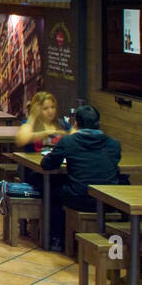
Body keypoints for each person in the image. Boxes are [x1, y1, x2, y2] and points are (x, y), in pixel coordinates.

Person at [41, 104, 122, 252]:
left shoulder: (68, 142)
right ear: (99, 123)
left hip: (79, 199)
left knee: (51, 190)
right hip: (109, 201)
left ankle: (57, 238)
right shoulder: (114, 144)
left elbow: (47, 164)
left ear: (76, 123)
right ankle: (120, 243)